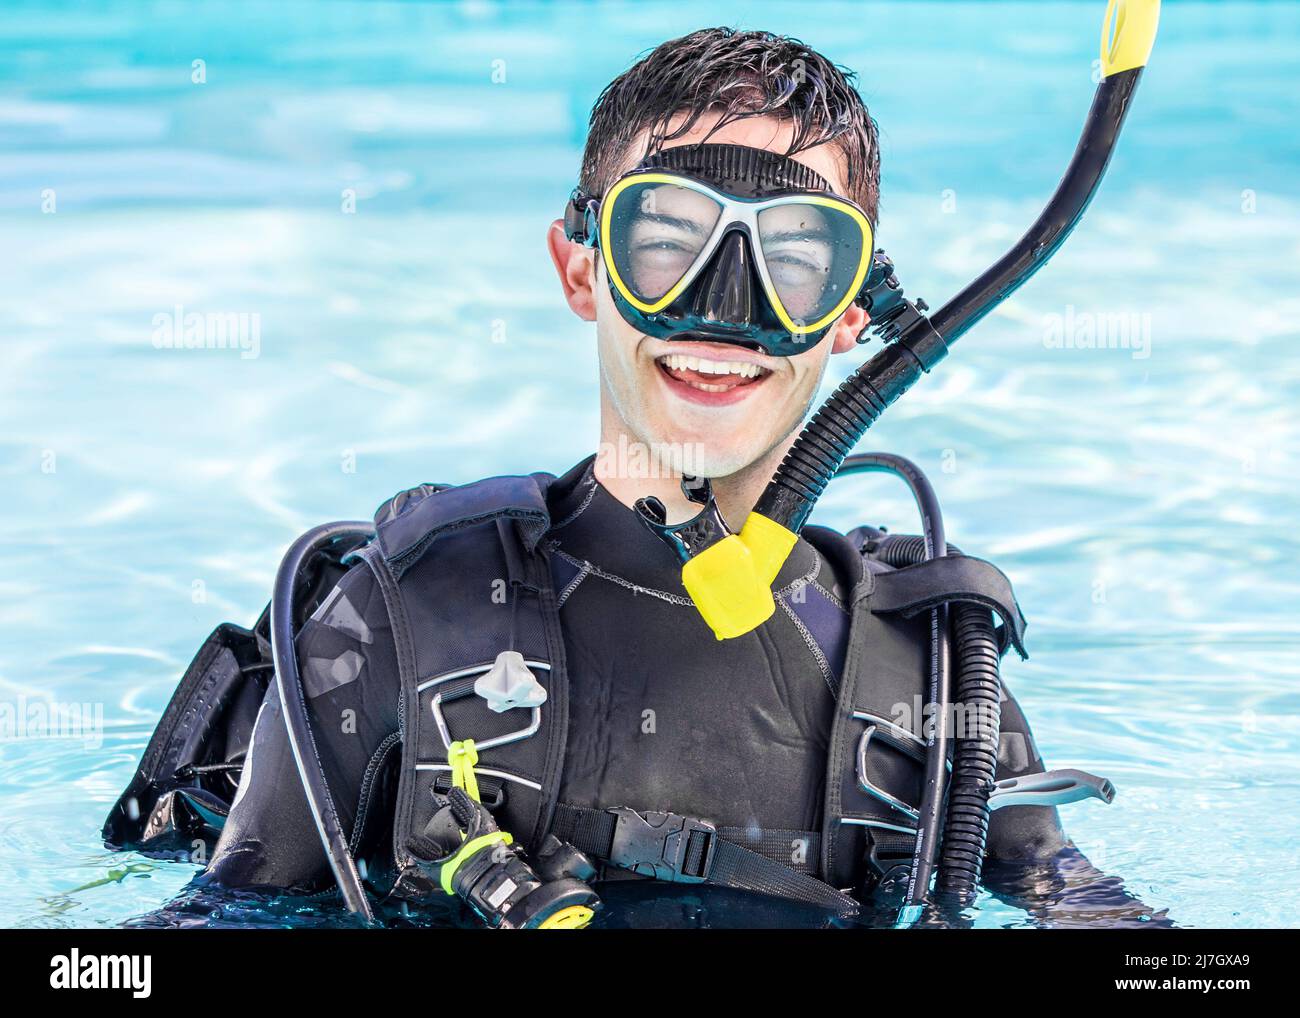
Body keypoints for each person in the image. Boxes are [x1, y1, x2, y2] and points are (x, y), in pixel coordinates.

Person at [107, 27, 1166, 928]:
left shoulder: (931, 670)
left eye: (793, 258)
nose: (724, 310)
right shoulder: (408, 617)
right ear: (583, 269)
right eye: (667, 240)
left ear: (850, 314)